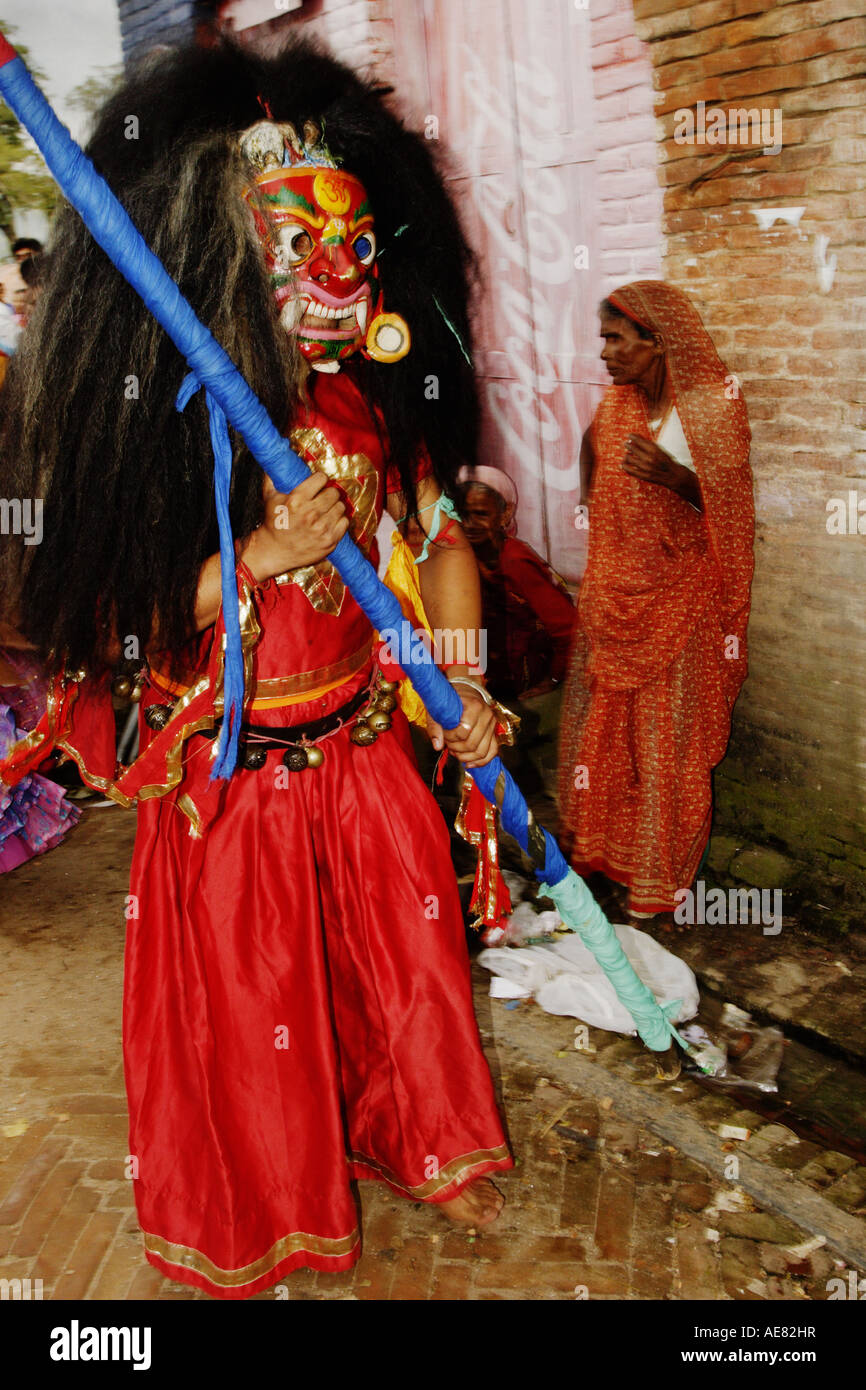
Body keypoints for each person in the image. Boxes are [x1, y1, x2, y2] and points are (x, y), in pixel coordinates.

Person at [0, 39, 512, 1299]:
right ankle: (269, 1207)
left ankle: (413, 1143)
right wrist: (264, 553)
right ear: (234, 259)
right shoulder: (171, 427)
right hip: (236, 787)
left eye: (354, 243)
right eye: (301, 243)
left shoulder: (372, 408)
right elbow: (112, 614)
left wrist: (460, 684)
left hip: (366, 755)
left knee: (402, 976)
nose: (339, 271)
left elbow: (436, 539)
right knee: (255, 1011)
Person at [558, 281, 754, 927]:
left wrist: (675, 478)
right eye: (603, 339)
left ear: (659, 342)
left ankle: (659, 879)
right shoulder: (617, 406)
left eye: (617, 339)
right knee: (611, 741)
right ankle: (608, 860)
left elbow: (734, 514)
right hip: (618, 601)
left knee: (667, 748)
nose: (604, 352)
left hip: (680, 606)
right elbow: (592, 450)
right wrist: (596, 511)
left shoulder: (711, 411)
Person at [458, 465, 575, 705]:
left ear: (505, 514)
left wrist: (554, 678)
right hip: (485, 670)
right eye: (462, 514)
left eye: (480, 514)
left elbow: (568, 628)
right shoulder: (461, 555)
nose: (469, 524)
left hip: (518, 674)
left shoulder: (514, 560)